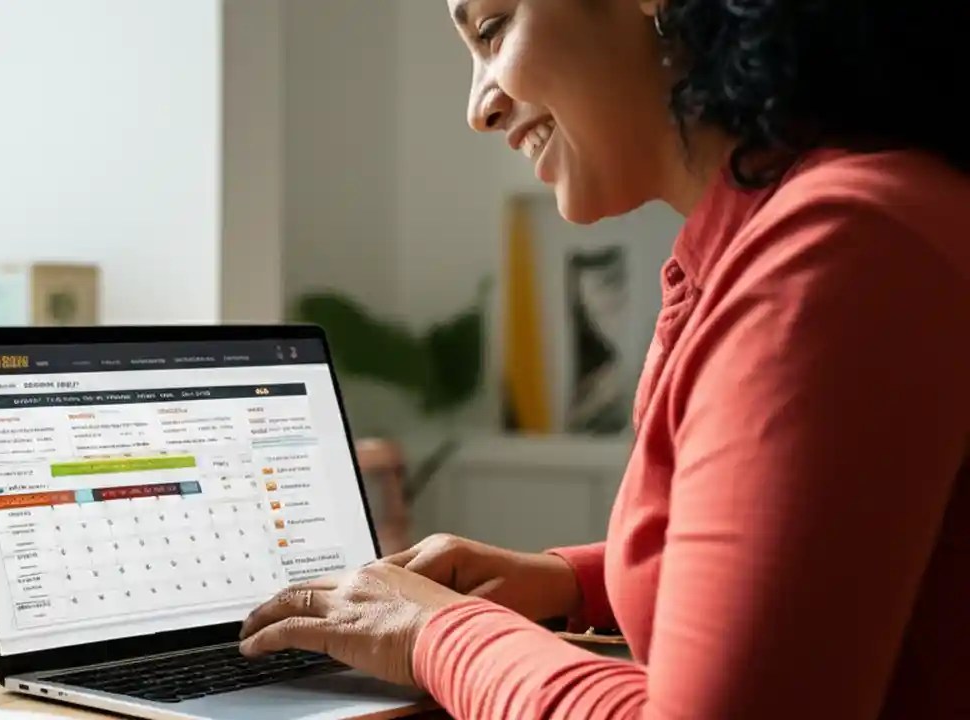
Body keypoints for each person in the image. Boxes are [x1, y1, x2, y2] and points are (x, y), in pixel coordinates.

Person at [239, 0, 970, 717]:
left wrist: (430, 631)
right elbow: (835, 560)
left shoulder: (833, 252)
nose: (478, 109)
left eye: (493, 28)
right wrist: (573, 581)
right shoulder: (814, 231)